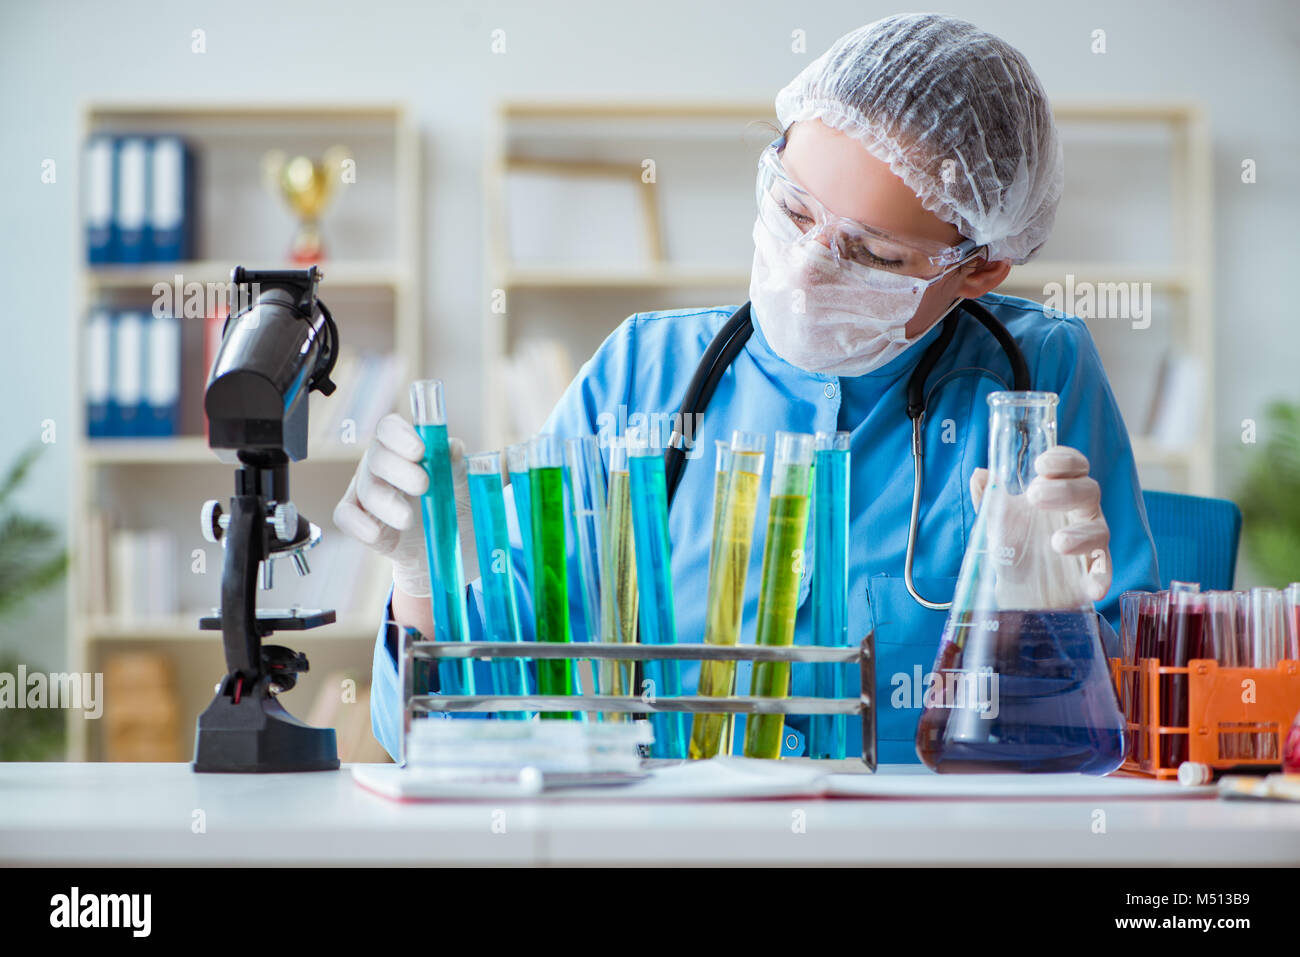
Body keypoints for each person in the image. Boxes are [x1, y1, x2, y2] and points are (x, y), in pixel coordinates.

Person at [336, 14, 1160, 763]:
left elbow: (1137, 737)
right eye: (795, 210)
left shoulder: (1037, 377)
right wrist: (421, 575)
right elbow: (443, 731)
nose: (805, 270)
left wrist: (1063, 625)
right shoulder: (642, 374)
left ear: (979, 268)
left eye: (873, 254)